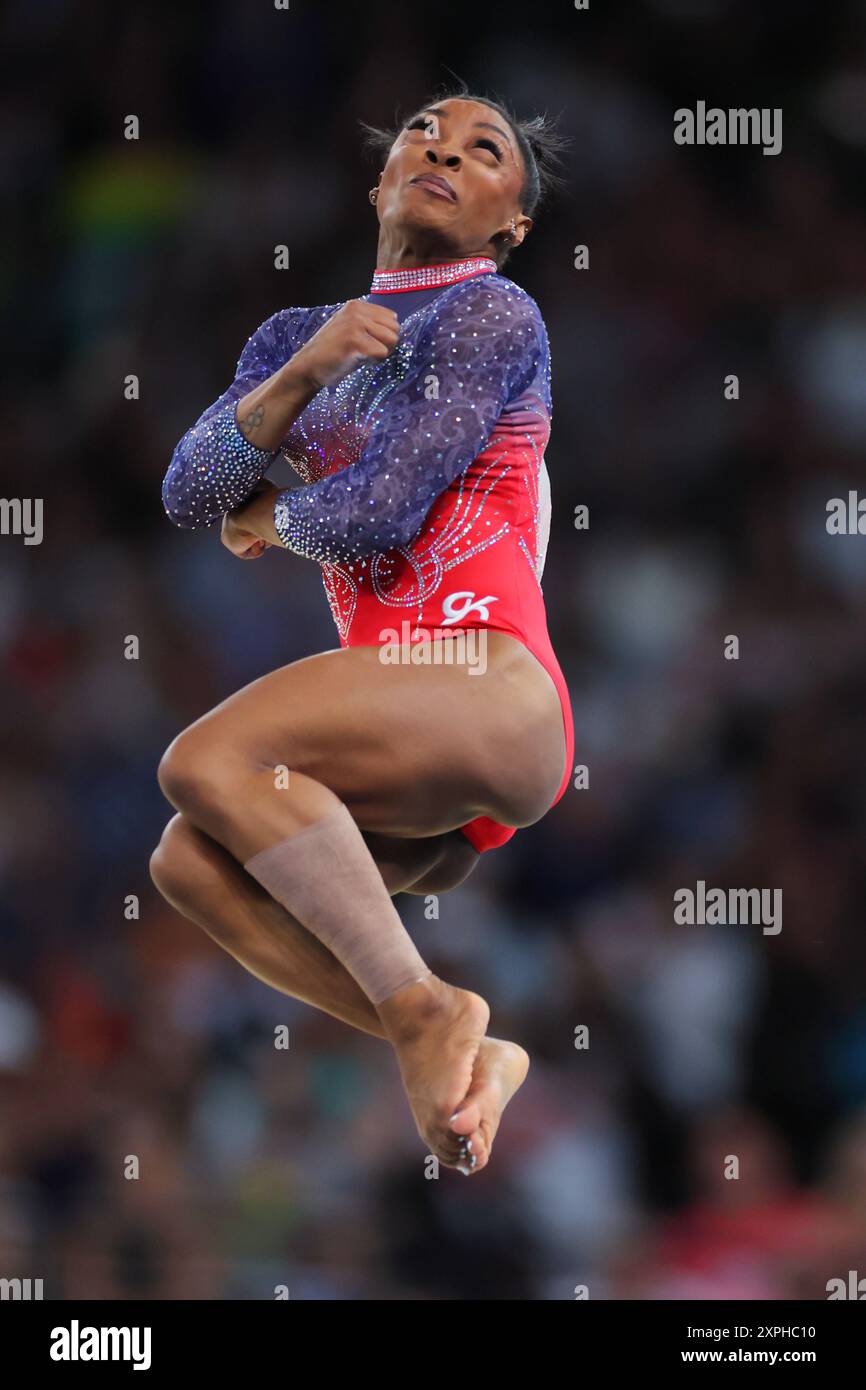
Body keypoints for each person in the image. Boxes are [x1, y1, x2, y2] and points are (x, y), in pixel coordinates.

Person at [151, 90, 573, 1176]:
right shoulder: (299, 337)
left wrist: (271, 515)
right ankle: (451, 1035)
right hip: (410, 716)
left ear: (506, 226)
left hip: (487, 680)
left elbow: (380, 506)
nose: (444, 149)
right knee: (192, 862)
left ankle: (425, 1008)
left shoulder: (491, 315)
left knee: (204, 758)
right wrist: (301, 372)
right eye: (424, 132)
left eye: (486, 153)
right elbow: (190, 492)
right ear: (379, 178)